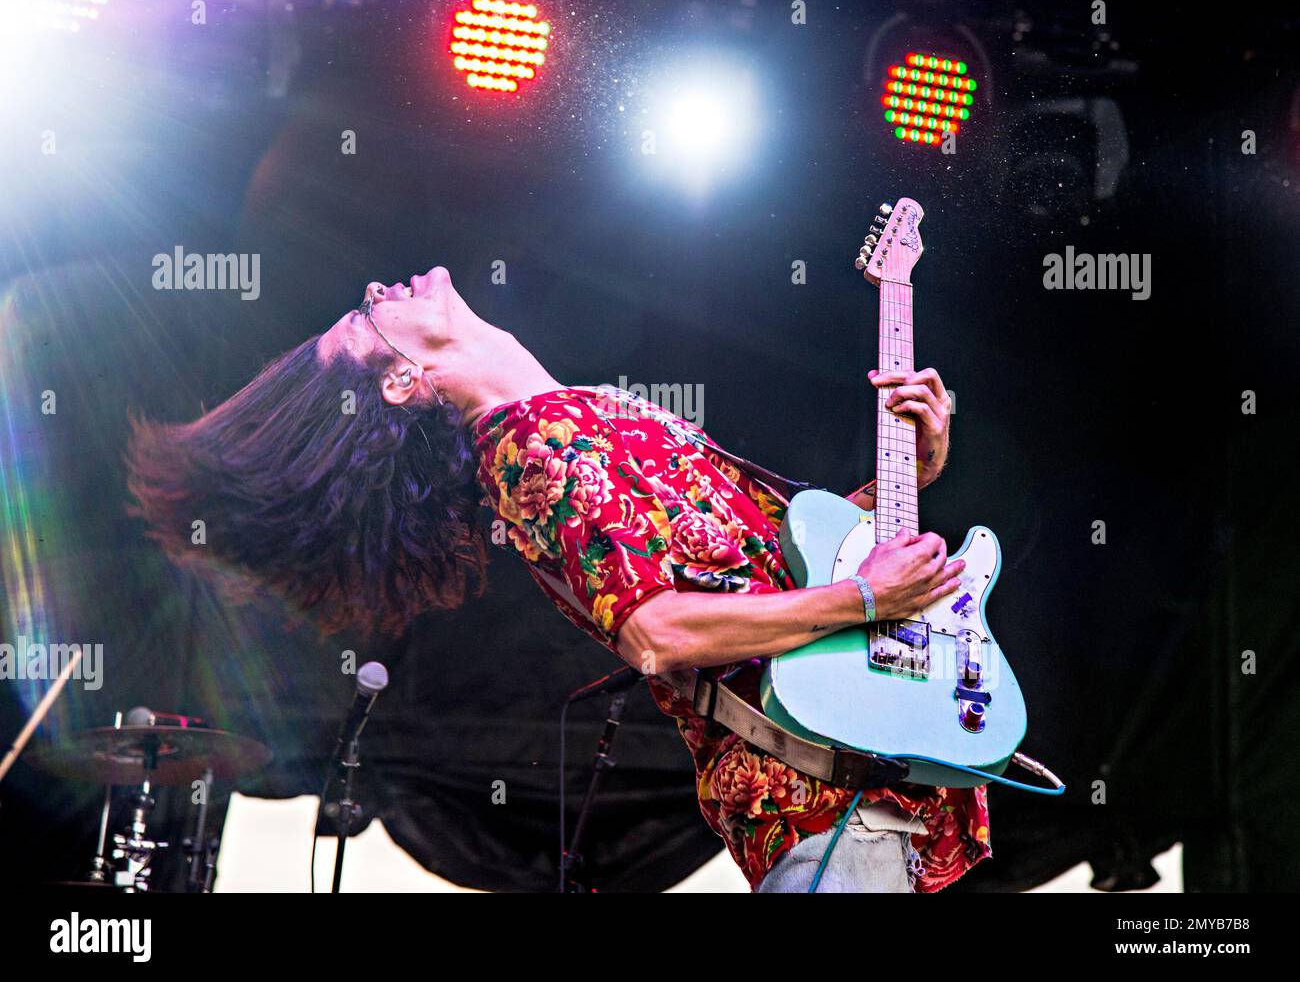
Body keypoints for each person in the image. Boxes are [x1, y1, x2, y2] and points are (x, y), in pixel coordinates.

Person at [127, 266, 991, 892]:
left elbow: (765, 568)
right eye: (366, 314)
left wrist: (899, 480)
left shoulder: (573, 414)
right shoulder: (530, 445)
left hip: (867, 780)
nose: (379, 287)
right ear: (401, 380)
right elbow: (658, 634)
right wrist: (867, 599)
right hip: (819, 803)